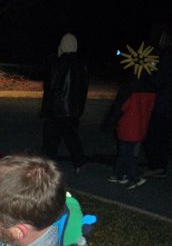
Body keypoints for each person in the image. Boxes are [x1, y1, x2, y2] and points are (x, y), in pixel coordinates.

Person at [101, 46, 156, 189]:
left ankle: (136, 176)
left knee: (126, 153)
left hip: (128, 125)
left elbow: (119, 108)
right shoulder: (150, 86)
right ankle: (119, 174)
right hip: (141, 126)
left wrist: (109, 124)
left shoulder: (129, 86)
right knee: (125, 151)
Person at [40, 33, 88, 174]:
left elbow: (50, 87)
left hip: (56, 109)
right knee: (72, 137)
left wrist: (46, 108)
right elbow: (83, 89)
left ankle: (49, 168)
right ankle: (80, 162)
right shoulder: (82, 65)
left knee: (50, 141)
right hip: (73, 109)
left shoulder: (56, 63)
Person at [142, 33, 172, 178]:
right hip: (166, 103)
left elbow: (158, 80)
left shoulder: (167, 56)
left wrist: (149, 69)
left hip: (163, 103)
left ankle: (157, 166)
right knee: (162, 135)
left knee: (155, 135)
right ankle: (160, 164)